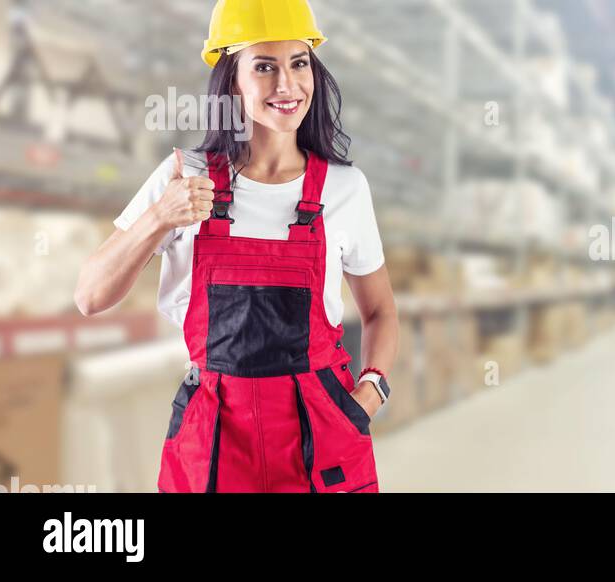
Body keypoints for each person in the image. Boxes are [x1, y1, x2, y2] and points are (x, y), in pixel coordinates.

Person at [74, 0, 397, 493]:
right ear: (232, 80)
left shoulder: (345, 188)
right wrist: (161, 216)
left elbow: (379, 311)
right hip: (213, 443)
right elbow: (90, 296)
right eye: (264, 66)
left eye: (299, 62)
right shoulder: (187, 176)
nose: (287, 85)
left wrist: (368, 395)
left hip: (322, 436)